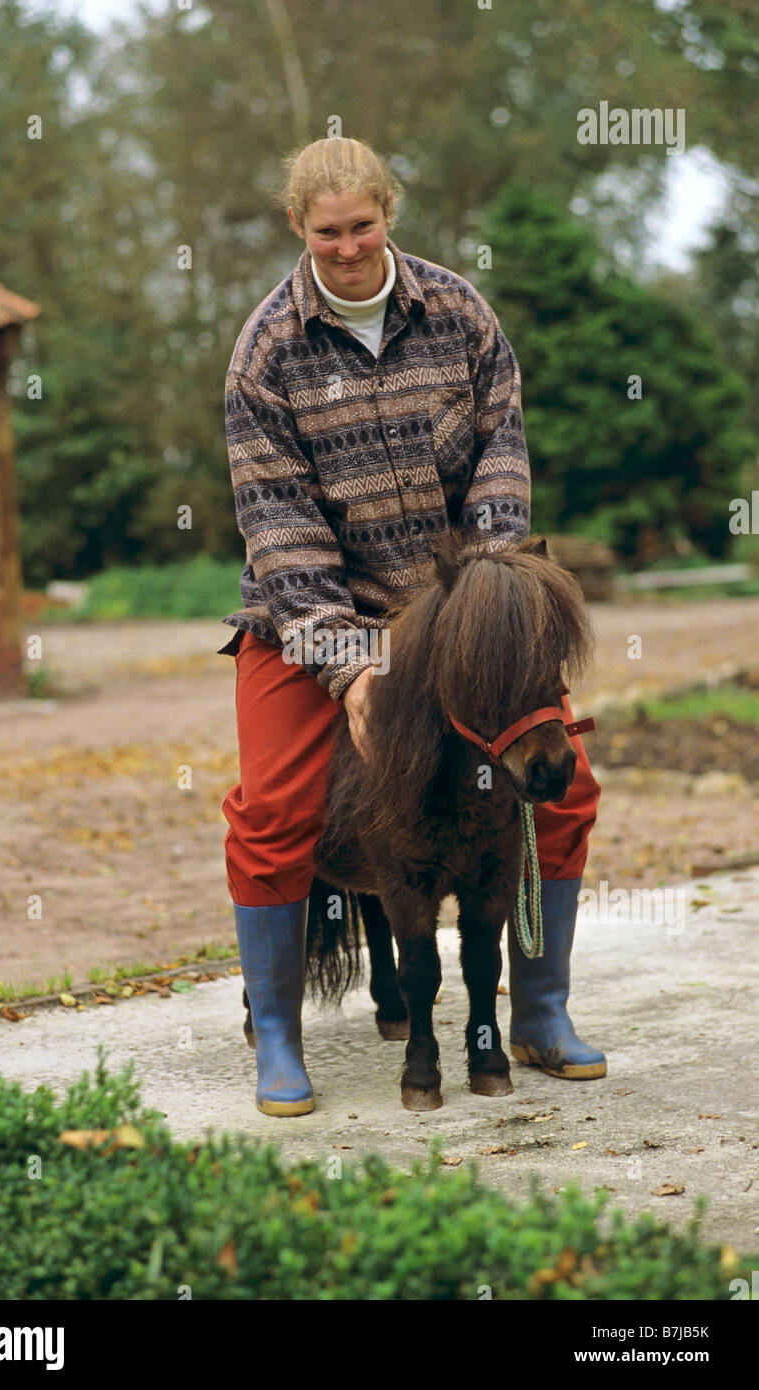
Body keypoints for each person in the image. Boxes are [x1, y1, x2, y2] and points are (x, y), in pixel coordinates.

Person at [218, 136, 605, 1117]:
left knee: (560, 786)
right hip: (312, 621)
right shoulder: (266, 353)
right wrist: (352, 669)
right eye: (325, 232)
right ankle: (275, 1034)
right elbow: (280, 526)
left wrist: (485, 598)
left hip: (463, 602)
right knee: (276, 809)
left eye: (362, 225)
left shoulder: (463, 313)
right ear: (298, 230)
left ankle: (540, 1009)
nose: (346, 247)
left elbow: (502, 454)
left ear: (390, 211)